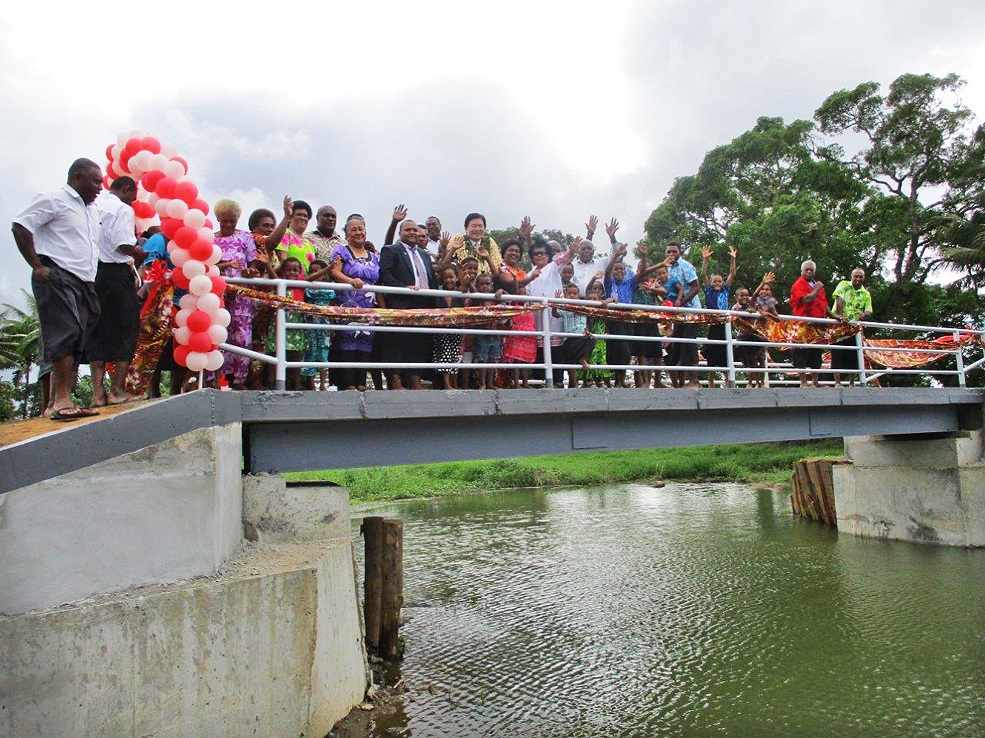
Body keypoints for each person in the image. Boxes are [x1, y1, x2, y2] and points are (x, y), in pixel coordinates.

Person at [12, 158, 103, 421]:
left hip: (84, 281)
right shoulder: (54, 199)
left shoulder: (91, 211)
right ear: (77, 178)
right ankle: (62, 399)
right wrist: (37, 265)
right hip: (57, 274)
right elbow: (21, 225)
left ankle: (57, 402)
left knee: (77, 338)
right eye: (96, 180)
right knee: (65, 332)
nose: (100, 186)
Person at [86, 176, 143, 406]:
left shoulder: (92, 206)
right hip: (116, 274)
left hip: (92, 273)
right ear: (127, 190)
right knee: (127, 328)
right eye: (133, 197)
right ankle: (117, 389)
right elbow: (123, 245)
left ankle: (97, 394)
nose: (133, 202)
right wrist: (140, 252)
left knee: (97, 329)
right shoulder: (123, 209)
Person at [379, 218, 438, 390]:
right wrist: (404, 288)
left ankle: (415, 379)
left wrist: (437, 304)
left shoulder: (425, 255)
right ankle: (395, 381)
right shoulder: (391, 250)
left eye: (415, 230)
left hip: (423, 303)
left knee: (419, 343)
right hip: (401, 302)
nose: (412, 232)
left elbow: (432, 280)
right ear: (400, 233)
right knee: (398, 343)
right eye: (408, 230)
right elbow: (385, 275)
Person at [212, 198, 260, 389]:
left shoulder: (245, 237)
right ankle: (213, 378)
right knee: (218, 335)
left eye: (232, 220)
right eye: (225, 220)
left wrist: (250, 271)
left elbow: (252, 262)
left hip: (241, 297)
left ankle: (239, 379)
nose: (229, 224)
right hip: (217, 295)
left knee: (242, 337)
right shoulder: (211, 238)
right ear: (218, 219)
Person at [329, 218, 381, 391]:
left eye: (361, 229)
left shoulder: (374, 256)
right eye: (353, 230)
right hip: (347, 303)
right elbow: (334, 272)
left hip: (368, 306)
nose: (358, 232)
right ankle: (347, 382)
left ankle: (361, 381)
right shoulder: (341, 251)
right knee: (347, 340)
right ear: (347, 234)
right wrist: (351, 280)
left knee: (365, 341)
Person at [662, 242, 702, 388]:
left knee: (688, 343)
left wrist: (682, 302)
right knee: (675, 346)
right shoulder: (666, 269)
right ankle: (679, 383)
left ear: (680, 252)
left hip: (691, 311)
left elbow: (696, 287)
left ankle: (694, 381)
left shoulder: (685, 266)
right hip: (677, 314)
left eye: (674, 251)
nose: (671, 254)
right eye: (668, 251)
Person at [700, 245, 737, 388]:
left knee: (726, 352)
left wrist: (733, 260)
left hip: (725, 324)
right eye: (714, 281)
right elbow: (703, 275)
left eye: (719, 281)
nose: (717, 283)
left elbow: (732, 275)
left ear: (723, 283)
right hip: (713, 324)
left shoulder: (725, 290)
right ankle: (711, 380)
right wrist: (705, 260)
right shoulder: (709, 291)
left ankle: (728, 379)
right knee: (711, 352)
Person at [830, 268, 873, 387]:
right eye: (856, 276)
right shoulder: (844, 285)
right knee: (837, 353)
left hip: (854, 328)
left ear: (863, 278)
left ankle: (851, 383)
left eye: (860, 277)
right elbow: (839, 299)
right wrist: (840, 315)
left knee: (853, 355)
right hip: (839, 326)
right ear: (851, 277)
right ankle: (837, 382)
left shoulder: (866, 293)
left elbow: (869, 310)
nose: (858, 279)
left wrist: (865, 315)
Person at [789, 259, 828, 388]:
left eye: (811, 269)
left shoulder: (816, 284)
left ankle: (815, 382)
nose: (809, 271)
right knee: (801, 353)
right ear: (802, 271)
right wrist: (816, 289)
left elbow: (824, 304)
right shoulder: (798, 285)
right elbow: (806, 299)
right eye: (807, 269)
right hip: (803, 325)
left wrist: (835, 316)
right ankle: (803, 382)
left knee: (816, 354)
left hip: (817, 325)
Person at [552, 282, 597, 387]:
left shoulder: (583, 307)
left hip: (582, 336)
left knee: (592, 339)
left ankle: (581, 359)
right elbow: (555, 314)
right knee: (571, 362)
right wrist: (555, 304)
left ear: (579, 296)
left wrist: (587, 329)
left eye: (575, 293)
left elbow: (589, 319)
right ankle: (575, 383)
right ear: (565, 295)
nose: (572, 295)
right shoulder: (564, 307)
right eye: (569, 293)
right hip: (570, 338)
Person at [469, 272, 504, 390]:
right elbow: (472, 294)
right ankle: (482, 383)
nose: (485, 286)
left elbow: (506, 300)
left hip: (494, 333)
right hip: (481, 332)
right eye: (482, 284)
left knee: (492, 359)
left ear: (491, 285)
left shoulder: (495, 298)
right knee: (482, 359)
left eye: (487, 284)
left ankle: (490, 383)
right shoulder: (476, 297)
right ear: (477, 285)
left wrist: (501, 291)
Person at [433, 265, 464, 388]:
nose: (448, 280)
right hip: (442, 329)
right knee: (445, 353)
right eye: (445, 278)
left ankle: (453, 382)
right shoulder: (438, 292)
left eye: (451, 277)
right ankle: (446, 384)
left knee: (455, 354)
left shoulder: (459, 292)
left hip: (456, 329)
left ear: (457, 278)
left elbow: (468, 287)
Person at [272, 198, 316, 272]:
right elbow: (283, 260)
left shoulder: (308, 242)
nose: (302, 218)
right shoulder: (285, 234)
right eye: (299, 215)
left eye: (305, 216)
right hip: (291, 279)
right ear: (290, 217)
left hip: (307, 282)